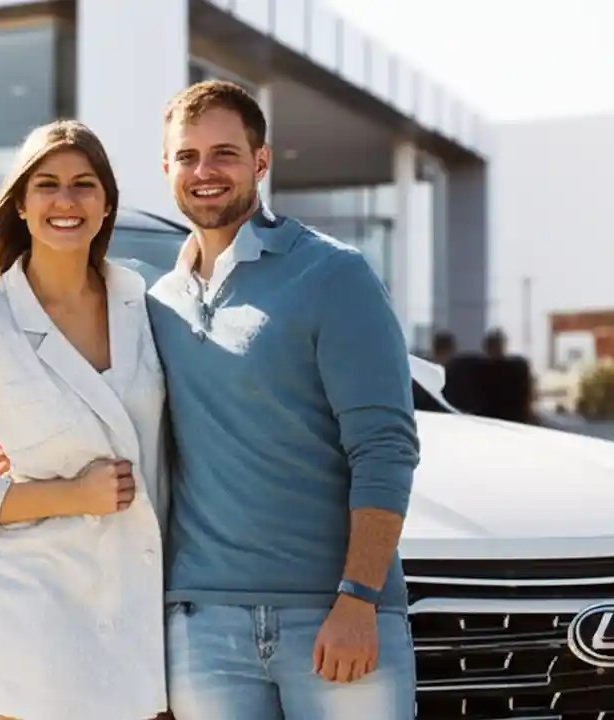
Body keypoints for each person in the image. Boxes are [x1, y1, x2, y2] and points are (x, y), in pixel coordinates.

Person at [148, 80, 421, 719]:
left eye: (224, 153)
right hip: (202, 626)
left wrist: (359, 598)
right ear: (166, 168)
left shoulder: (332, 274)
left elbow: (386, 445)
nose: (204, 171)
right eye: (186, 156)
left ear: (261, 162)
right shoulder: (157, 302)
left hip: (332, 617)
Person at [0, 119, 171, 720]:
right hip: (38, 622)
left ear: (107, 204)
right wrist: (69, 493)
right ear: (21, 207)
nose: (66, 200)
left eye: (84, 184)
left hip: (144, 614)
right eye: (46, 185)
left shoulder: (144, 303)